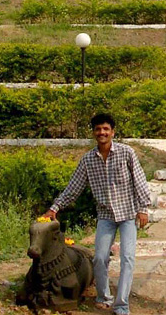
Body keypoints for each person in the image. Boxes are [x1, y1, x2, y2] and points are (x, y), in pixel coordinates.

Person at [42, 114, 150, 314]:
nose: (102, 133)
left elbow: (140, 181)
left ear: (113, 132)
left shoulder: (126, 153)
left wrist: (143, 208)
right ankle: (104, 297)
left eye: (106, 129)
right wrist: (54, 208)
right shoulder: (88, 160)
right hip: (105, 216)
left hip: (128, 214)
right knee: (100, 258)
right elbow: (73, 188)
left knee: (127, 258)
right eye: (98, 129)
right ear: (93, 132)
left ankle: (122, 305)